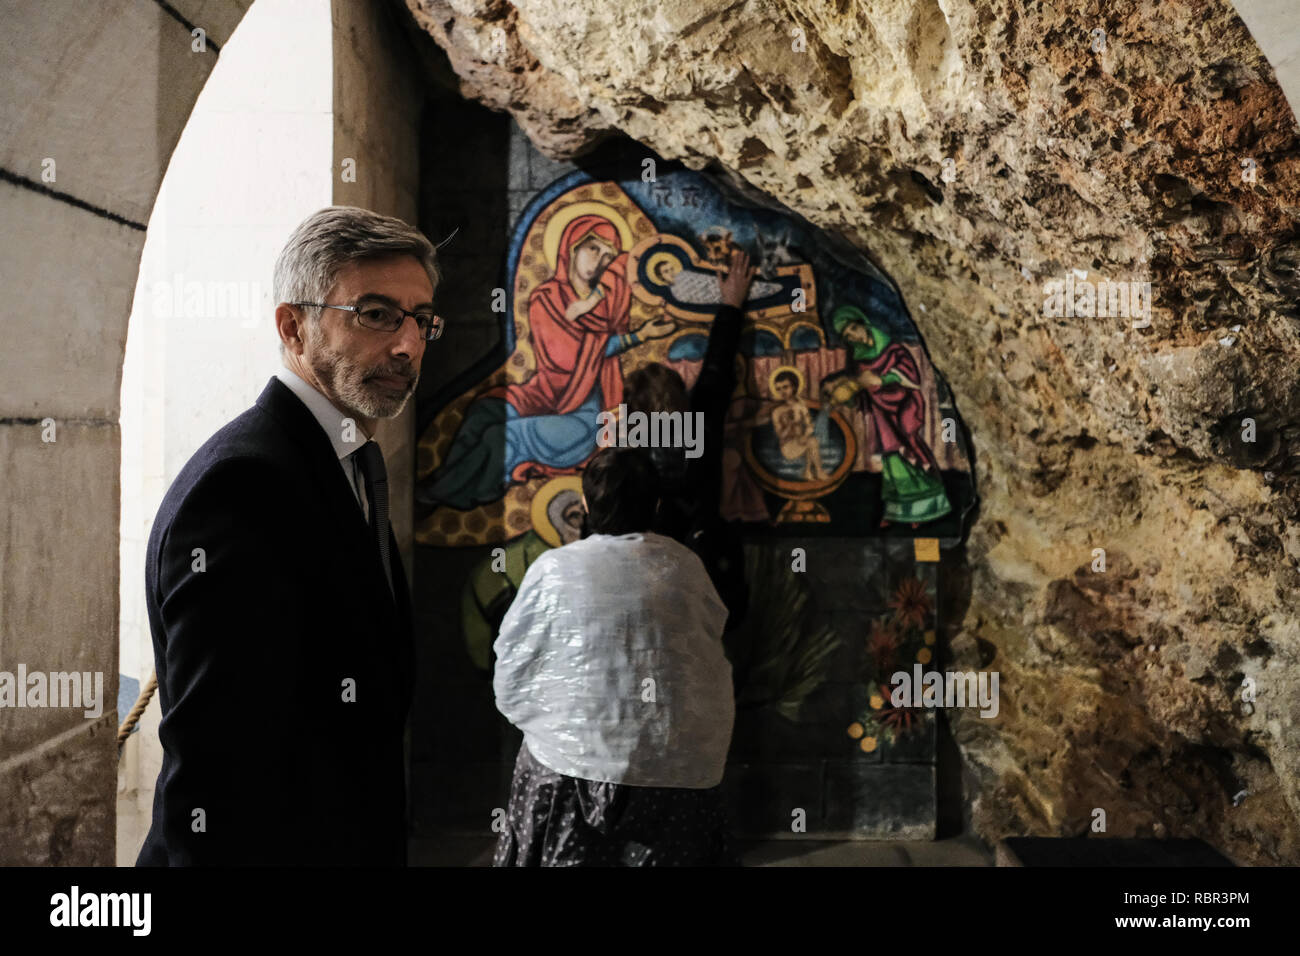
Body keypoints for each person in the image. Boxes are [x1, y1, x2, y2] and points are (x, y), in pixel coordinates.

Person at [137, 206, 441, 865]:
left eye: (421, 320)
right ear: (292, 327)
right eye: (377, 313)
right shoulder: (245, 486)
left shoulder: (345, 461)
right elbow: (215, 769)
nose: (408, 345)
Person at [492, 447, 736, 866]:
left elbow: (513, 672)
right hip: (677, 772)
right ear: (657, 505)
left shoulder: (553, 569)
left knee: (537, 755)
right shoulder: (685, 566)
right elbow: (710, 656)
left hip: (567, 770)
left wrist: (564, 728)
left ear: (585, 504)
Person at [418, 213, 674, 512]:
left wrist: (640, 333)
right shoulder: (546, 298)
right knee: (483, 411)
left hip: (583, 418)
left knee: (500, 436)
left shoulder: (604, 305)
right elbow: (564, 359)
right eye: (594, 249)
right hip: (548, 394)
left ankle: (443, 493)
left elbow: (594, 340)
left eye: (608, 255)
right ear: (571, 247)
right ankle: (451, 478)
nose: (601, 261)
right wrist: (635, 335)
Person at [623, 247, 756, 631]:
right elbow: (717, 365)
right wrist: (731, 302)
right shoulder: (701, 424)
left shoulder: (626, 460)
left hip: (649, 593)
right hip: (705, 577)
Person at [819, 304, 951, 526]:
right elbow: (861, 390)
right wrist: (846, 394)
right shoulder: (859, 359)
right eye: (846, 335)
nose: (852, 336)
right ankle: (897, 511)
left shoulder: (893, 350)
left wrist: (883, 379)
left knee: (910, 448)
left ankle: (925, 508)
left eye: (853, 328)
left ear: (863, 323)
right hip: (881, 411)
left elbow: (911, 378)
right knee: (890, 459)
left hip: (904, 406)